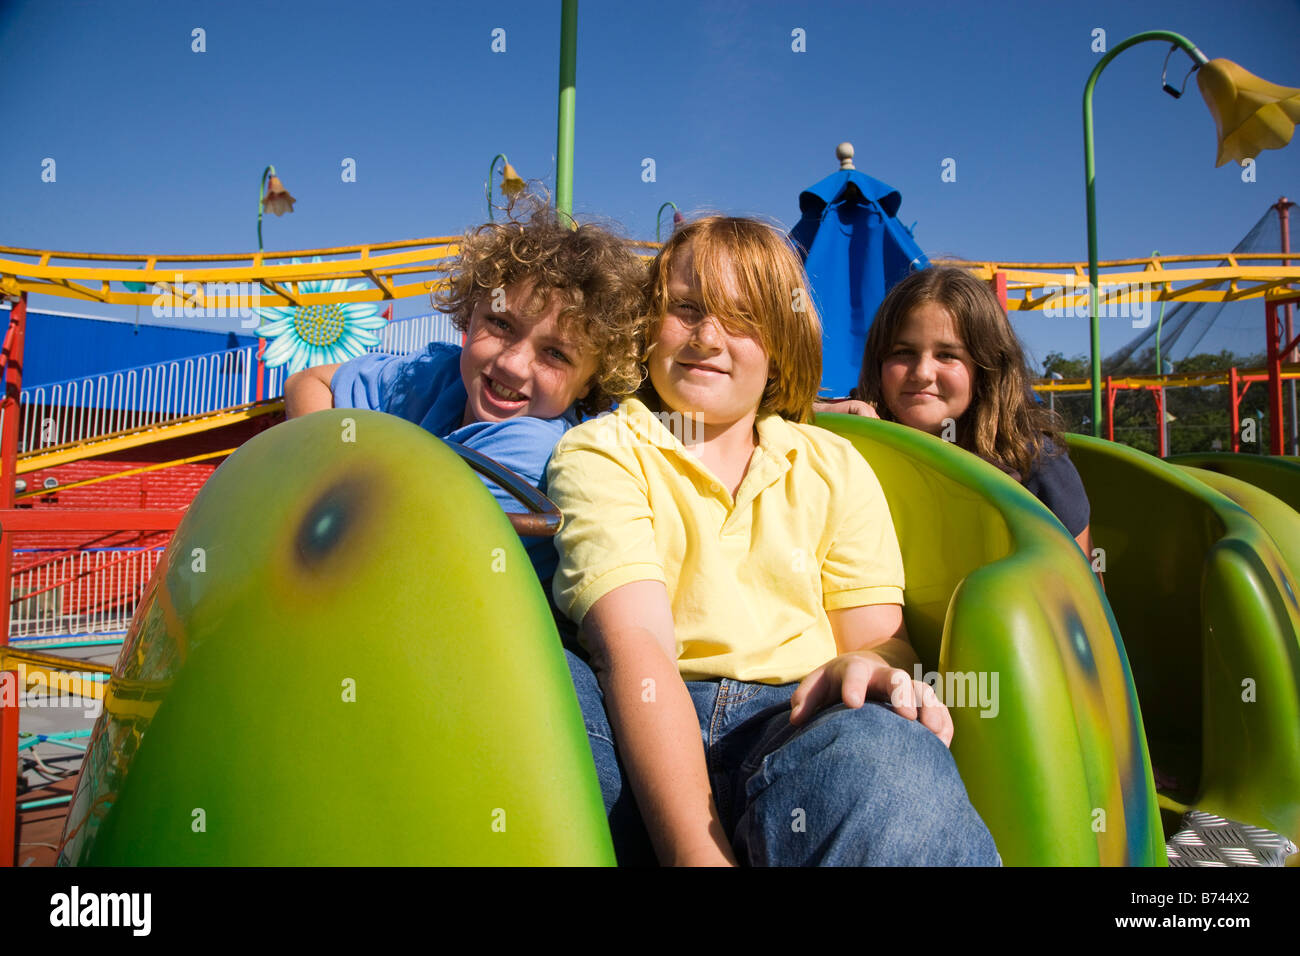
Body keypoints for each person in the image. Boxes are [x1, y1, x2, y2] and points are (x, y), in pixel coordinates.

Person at [546, 216, 999, 866]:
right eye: (686, 310)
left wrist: (869, 662)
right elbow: (635, 646)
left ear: (781, 344)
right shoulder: (604, 449)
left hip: (792, 714)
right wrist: (696, 856)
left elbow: (878, 635)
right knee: (544, 695)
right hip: (639, 718)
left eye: (740, 317)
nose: (708, 337)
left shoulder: (830, 464)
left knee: (889, 750)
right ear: (648, 327)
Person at [283, 207, 647, 581]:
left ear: (590, 382)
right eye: (500, 323)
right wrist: (332, 477)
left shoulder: (536, 449)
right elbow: (308, 382)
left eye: (555, 354)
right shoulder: (438, 376)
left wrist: (329, 473)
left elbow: (384, 541)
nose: (513, 364)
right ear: (471, 311)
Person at [814, 266, 1094, 562]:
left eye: (947, 355)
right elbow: (767, 413)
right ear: (879, 361)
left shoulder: (1034, 462)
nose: (922, 372)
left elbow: (1085, 592)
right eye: (903, 352)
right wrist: (819, 411)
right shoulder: (857, 430)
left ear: (987, 368)